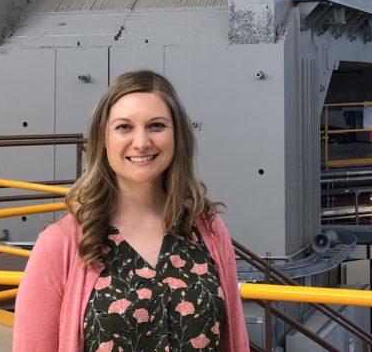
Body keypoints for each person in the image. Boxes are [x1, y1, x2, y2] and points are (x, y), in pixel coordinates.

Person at [13, 70, 250, 351]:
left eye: (156, 126)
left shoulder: (207, 229)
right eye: (124, 127)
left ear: (177, 136)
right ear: (103, 138)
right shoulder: (61, 245)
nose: (141, 142)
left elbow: (234, 340)